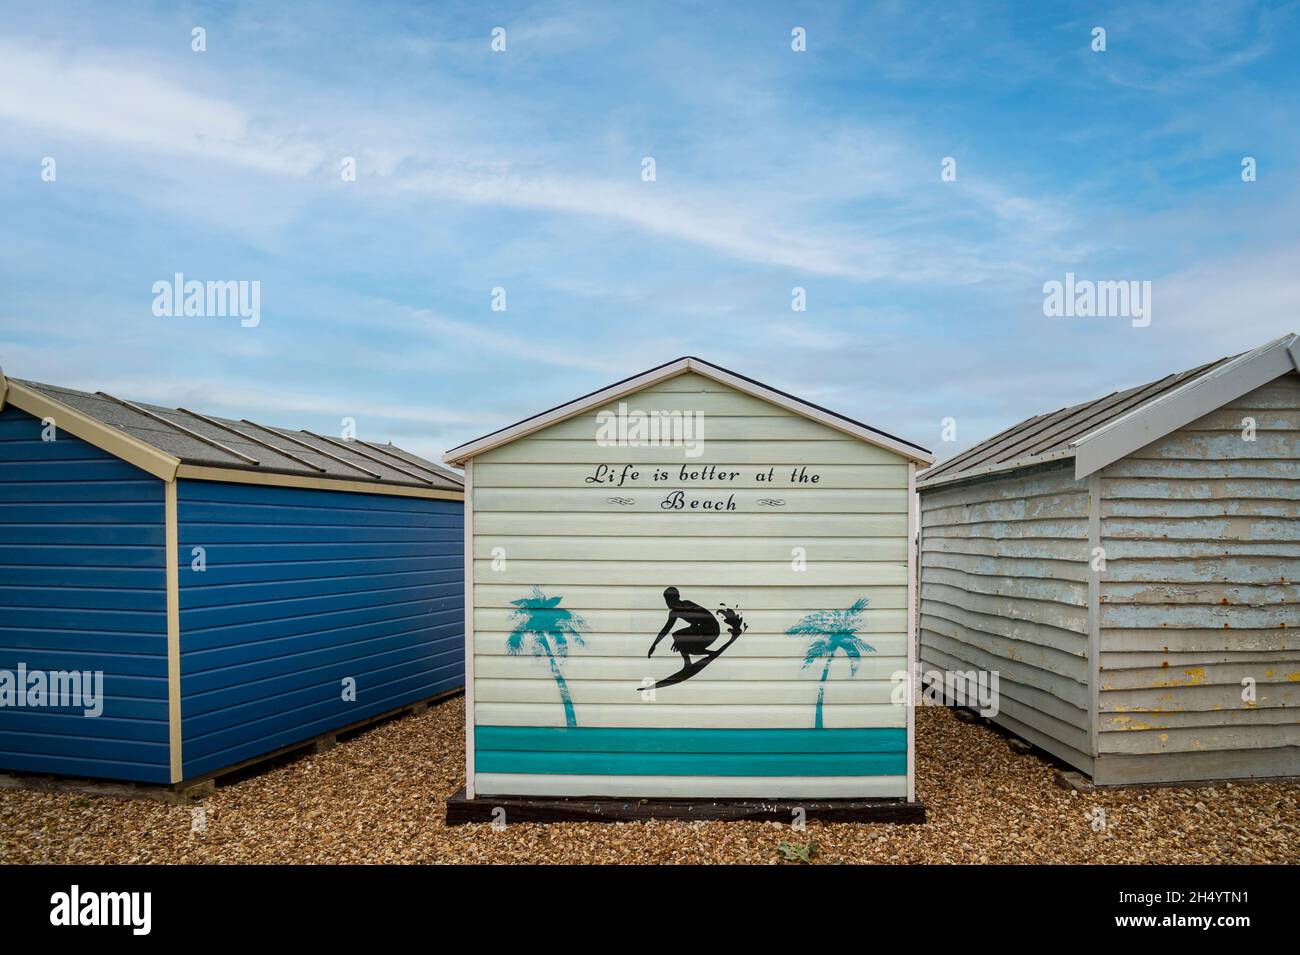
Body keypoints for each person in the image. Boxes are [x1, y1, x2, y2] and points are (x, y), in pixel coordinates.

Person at [648, 586, 720, 664]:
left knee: (678, 638)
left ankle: (709, 653)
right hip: (703, 630)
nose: (667, 602)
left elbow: (697, 622)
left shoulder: (686, 604)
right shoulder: (674, 613)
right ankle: (688, 662)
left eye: (669, 599)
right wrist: (654, 644)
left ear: (677, 598)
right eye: (666, 600)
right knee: (678, 637)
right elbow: (666, 629)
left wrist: (680, 640)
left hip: (712, 629)